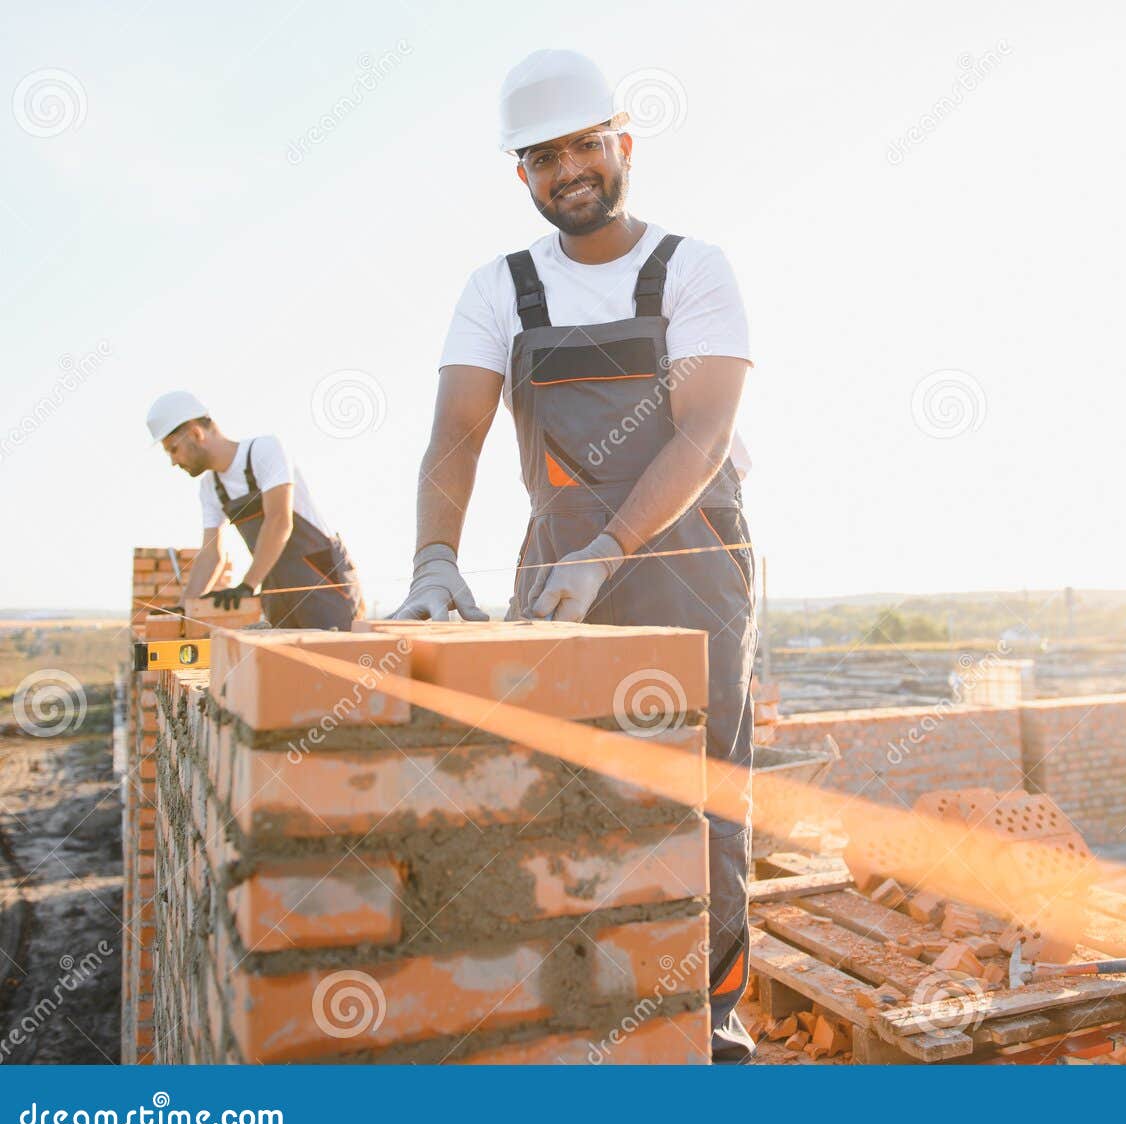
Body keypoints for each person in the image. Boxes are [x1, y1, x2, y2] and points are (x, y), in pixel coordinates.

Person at [390, 48, 758, 1061]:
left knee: (704, 797)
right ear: (523, 175)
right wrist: (432, 559)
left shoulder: (694, 268)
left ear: (622, 144)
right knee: (556, 785)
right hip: (559, 570)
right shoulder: (498, 289)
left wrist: (610, 546)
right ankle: (575, 1019)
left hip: (692, 555)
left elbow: (701, 435)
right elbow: (455, 438)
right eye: (543, 157)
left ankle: (706, 1029)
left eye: (585, 147)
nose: (569, 171)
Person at [146, 390, 362, 629]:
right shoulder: (211, 487)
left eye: (173, 450)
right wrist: (184, 607)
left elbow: (279, 520)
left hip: (323, 580)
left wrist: (247, 586)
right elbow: (211, 555)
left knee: (335, 658)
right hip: (274, 585)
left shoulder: (264, 450)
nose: (173, 462)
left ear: (196, 434)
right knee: (286, 664)